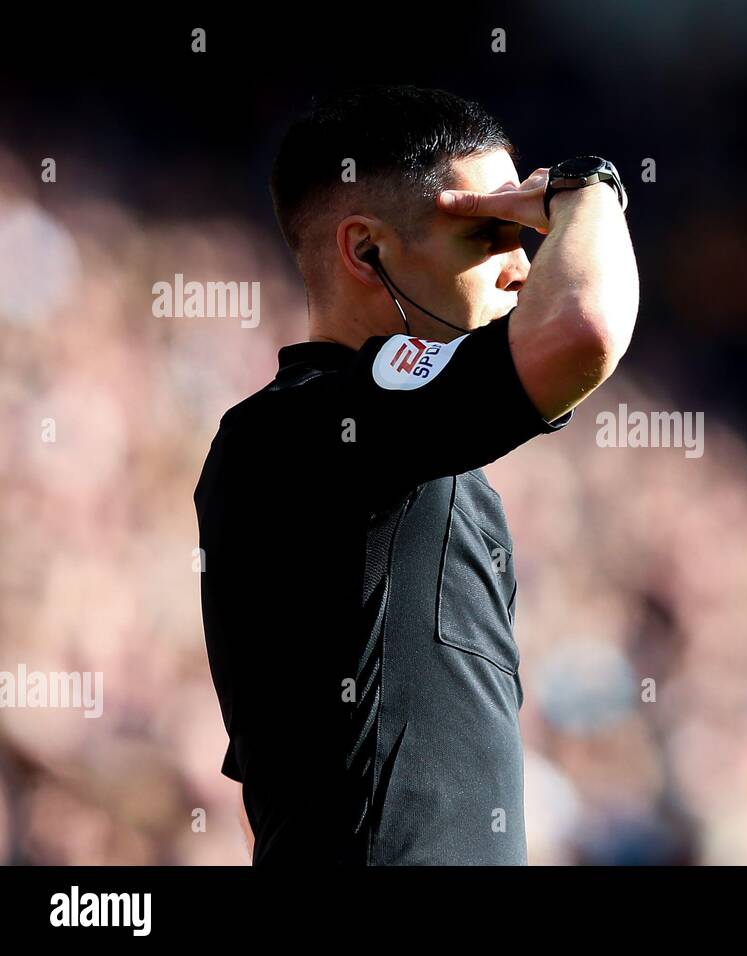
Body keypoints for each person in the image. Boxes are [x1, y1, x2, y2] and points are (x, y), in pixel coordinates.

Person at [194, 85, 638, 864]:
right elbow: (582, 325)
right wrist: (588, 187)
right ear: (366, 251)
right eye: (491, 236)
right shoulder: (300, 428)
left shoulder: (417, 464)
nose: (524, 269)